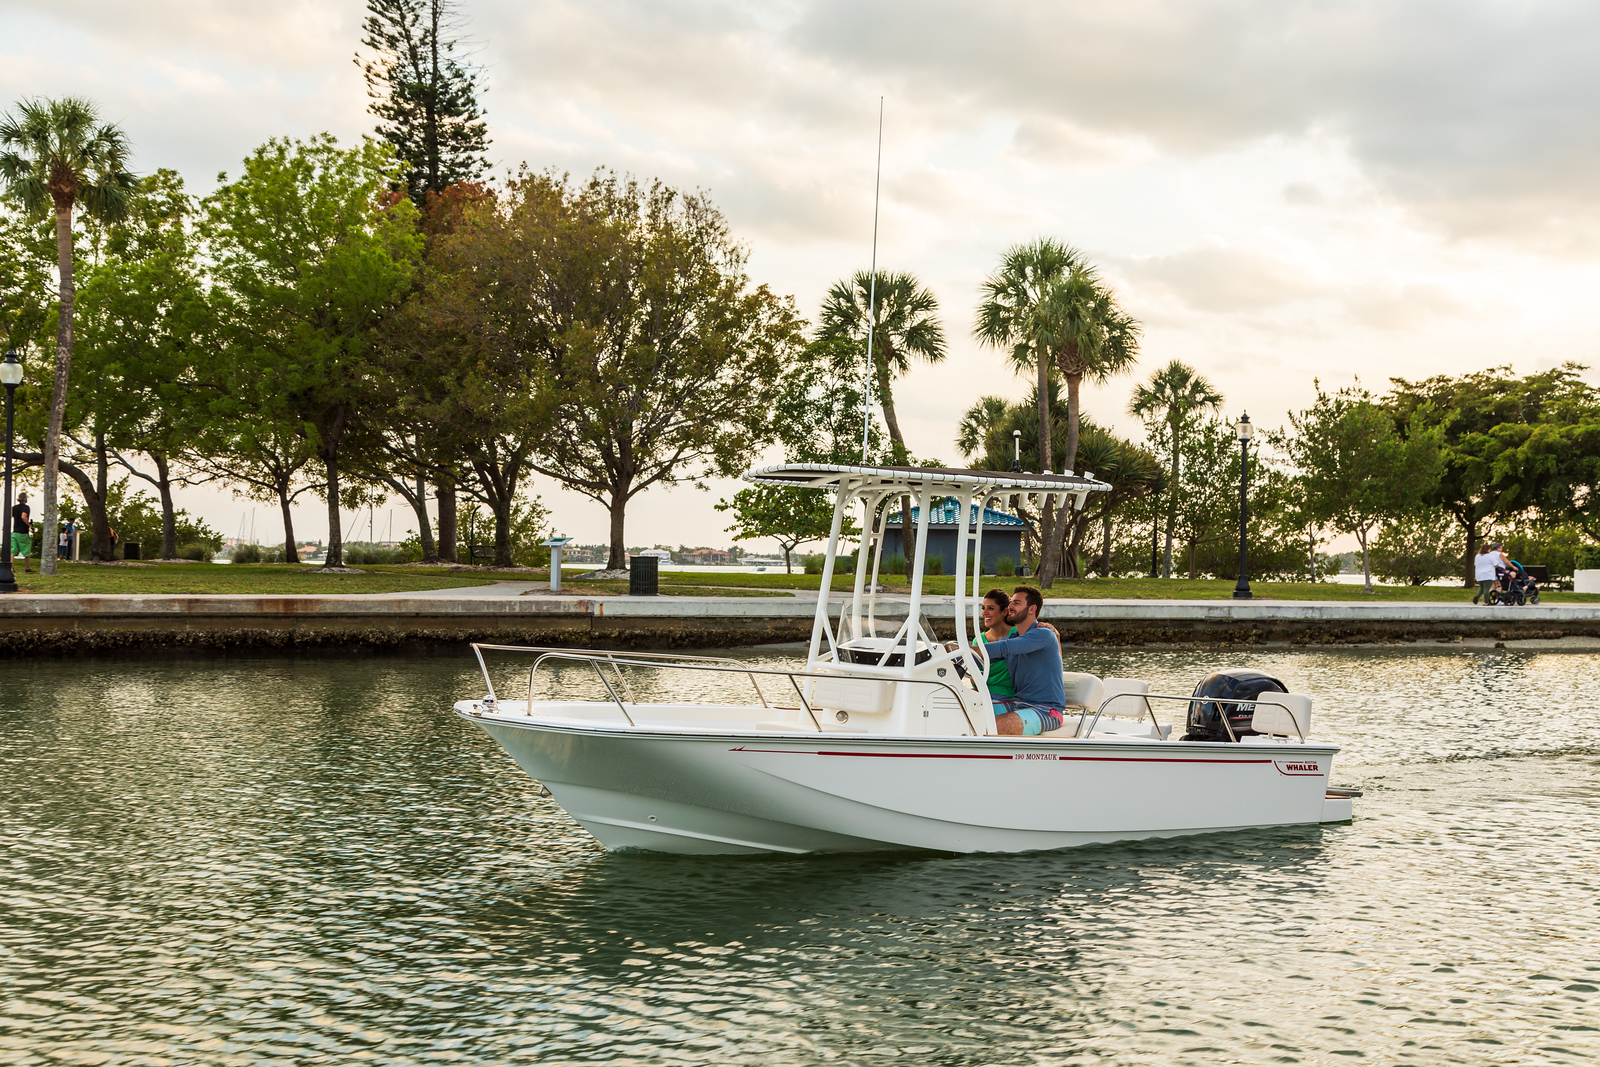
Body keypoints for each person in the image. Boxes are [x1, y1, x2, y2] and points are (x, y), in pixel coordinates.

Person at [973, 585, 1065, 736]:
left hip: (1046, 710)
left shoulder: (1043, 634)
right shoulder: (1014, 638)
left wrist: (960, 650)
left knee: (996, 725)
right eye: (1011, 602)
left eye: (1016, 603)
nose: (1010, 606)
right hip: (1017, 705)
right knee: (965, 711)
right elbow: (984, 658)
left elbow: (1003, 648)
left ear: (1031, 609)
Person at [10, 490, 31, 574]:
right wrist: (29, 525)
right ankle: (27, 568)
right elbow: (23, 516)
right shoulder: (26, 507)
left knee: (13, 550)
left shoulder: (14, 508)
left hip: (15, 532)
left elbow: (10, 516)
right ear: (25, 499)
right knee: (26, 550)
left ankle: (10, 568)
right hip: (23, 533)